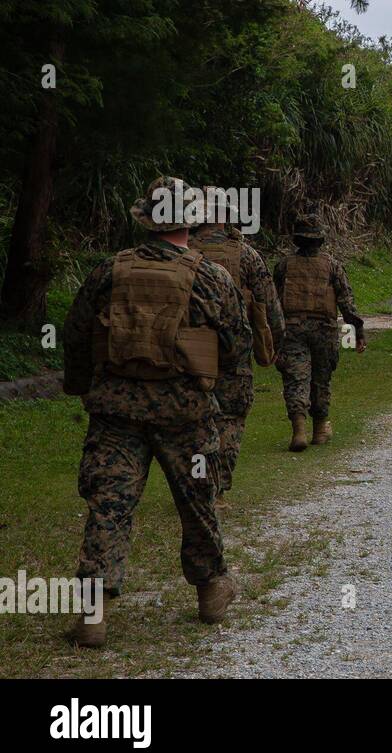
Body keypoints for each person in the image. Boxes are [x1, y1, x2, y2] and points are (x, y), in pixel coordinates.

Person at [61, 176, 250, 646]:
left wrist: (83, 388)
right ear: (191, 220)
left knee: (110, 506)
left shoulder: (109, 271)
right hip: (185, 415)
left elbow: (77, 332)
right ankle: (210, 590)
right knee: (196, 500)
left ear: (146, 219)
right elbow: (236, 345)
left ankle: (92, 614)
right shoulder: (211, 276)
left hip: (115, 413)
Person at [189, 189, 283, 509]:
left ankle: (198, 483)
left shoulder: (181, 252)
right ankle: (217, 489)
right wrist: (276, 343)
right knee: (230, 417)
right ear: (223, 215)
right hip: (233, 352)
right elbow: (269, 304)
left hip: (187, 351)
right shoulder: (245, 254)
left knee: (195, 419)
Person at [273, 213, 366, 451]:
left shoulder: (284, 265)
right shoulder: (332, 266)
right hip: (324, 330)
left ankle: (299, 431)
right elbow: (346, 302)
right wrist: (357, 331)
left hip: (292, 329)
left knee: (296, 379)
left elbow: (272, 301)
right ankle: (320, 430)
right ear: (320, 239)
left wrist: (271, 335)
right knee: (321, 380)